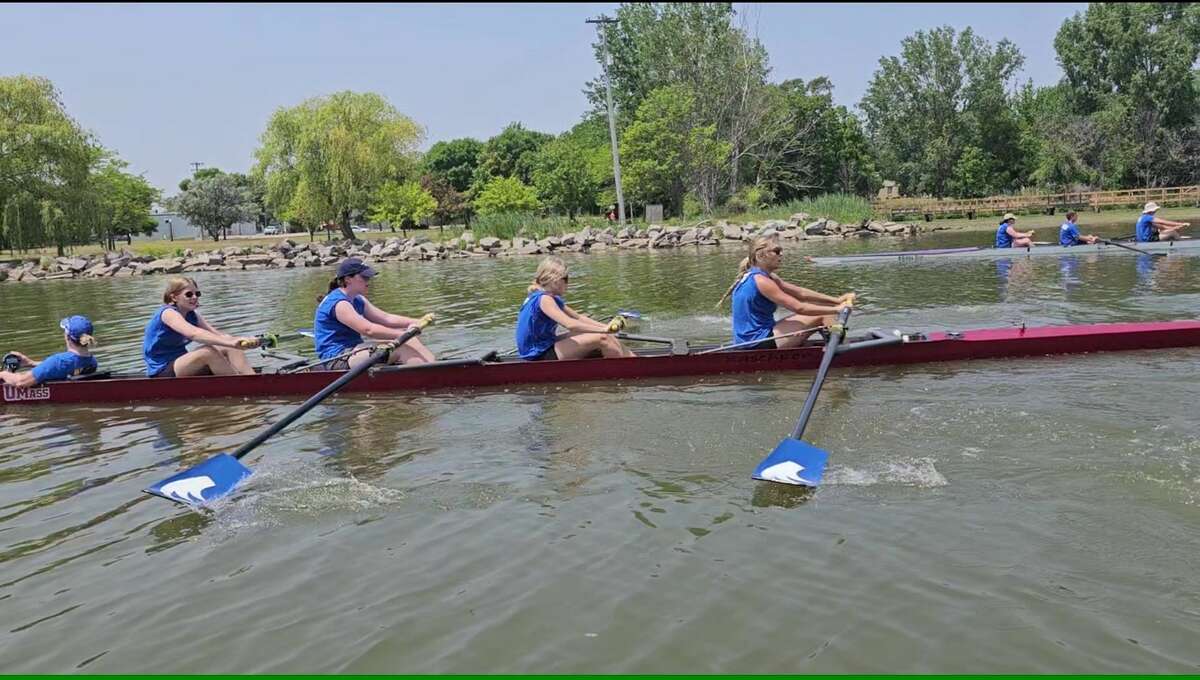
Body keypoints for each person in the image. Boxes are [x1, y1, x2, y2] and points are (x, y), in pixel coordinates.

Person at [719, 235, 854, 349]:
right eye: (776, 251)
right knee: (825, 314)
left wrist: (837, 301)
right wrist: (837, 310)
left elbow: (800, 293)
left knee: (824, 309)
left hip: (751, 339)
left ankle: (832, 341)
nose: (781, 254)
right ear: (761, 255)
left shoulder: (764, 276)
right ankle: (841, 350)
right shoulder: (761, 281)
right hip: (755, 343)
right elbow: (799, 307)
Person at [313, 258, 436, 369]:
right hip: (336, 358)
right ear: (348, 279)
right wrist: (403, 334)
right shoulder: (339, 303)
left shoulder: (358, 299)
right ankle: (430, 378)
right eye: (364, 277)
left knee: (411, 341)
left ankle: (435, 368)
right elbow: (368, 330)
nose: (369, 281)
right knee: (402, 346)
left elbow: (386, 318)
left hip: (354, 351)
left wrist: (417, 322)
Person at [516, 256, 633, 361]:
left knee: (605, 335)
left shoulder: (550, 297)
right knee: (603, 338)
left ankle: (634, 360)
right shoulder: (544, 299)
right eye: (566, 279)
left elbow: (578, 317)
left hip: (546, 344)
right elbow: (570, 324)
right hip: (538, 354)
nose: (568, 283)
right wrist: (604, 331)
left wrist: (606, 327)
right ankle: (624, 371)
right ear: (555, 280)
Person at [142, 277, 260, 378]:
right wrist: (230, 342)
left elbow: (219, 336)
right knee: (208, 352)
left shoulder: (193, 315)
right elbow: (194, 333)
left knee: (231, 348)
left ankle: (253, 381)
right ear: (174, 298)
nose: (194, 297)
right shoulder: (168, 313)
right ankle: (240, 386)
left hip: (182, 362)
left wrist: (244, 341)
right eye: (189, 294)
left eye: (197, 294)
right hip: (162, 370)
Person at [1, 316, 99, 388]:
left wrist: (3, 374)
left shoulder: (58, 361)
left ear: (68, 337)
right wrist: (31, 363)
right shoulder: (92, 361)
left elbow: (20, 382)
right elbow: (59, 368)